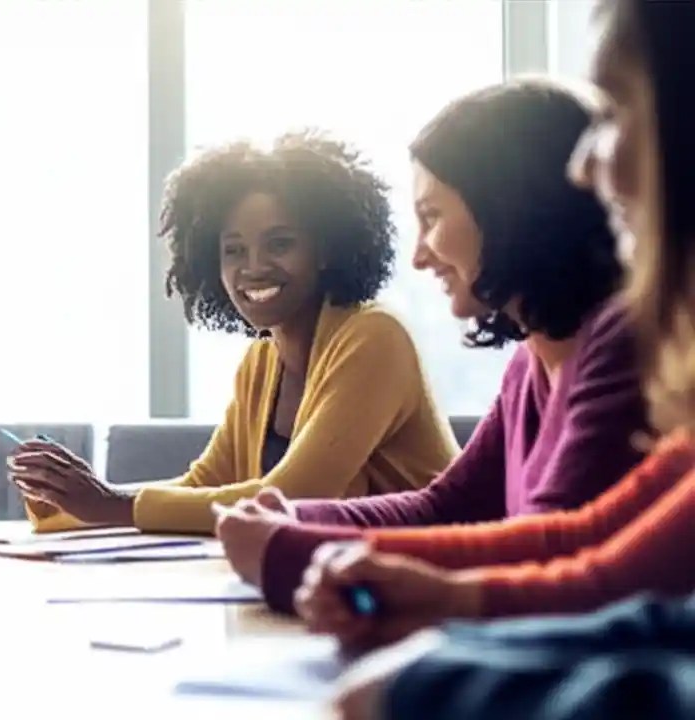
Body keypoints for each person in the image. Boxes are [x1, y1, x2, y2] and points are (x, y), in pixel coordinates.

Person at [305, 2, 695, 716]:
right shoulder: (533, 364)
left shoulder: (613, 339)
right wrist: (453, 599)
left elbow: (595, 574)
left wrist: (437, 678)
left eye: (614, 113)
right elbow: (636, 589)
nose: (585, 167)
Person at [215, 79, 645, 612]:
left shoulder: (621, 345)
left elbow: (549, 548)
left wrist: (294, 549)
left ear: (509, 213)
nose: (419, 256)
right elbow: (450, 505)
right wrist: (294, 518)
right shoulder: (531, 362)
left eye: (433, 218)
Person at [9, 132, 457, 535]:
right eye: (234, 250)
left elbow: (291, 497)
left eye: (280, 244)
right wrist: (68, 502)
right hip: (337, 584)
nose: (253, 267)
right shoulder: (262, 360)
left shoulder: (374, 336)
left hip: (434, 590)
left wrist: (108, 504)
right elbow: (204, 486)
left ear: (325, 249)